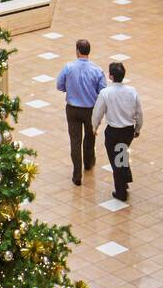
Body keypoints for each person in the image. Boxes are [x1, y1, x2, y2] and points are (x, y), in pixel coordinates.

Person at [56, 40, 106, 186]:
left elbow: (59, 85)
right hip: (90, 110)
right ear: (88, 51)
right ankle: (89, 162)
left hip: (72, 109)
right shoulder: (97, 70)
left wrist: (70, 89)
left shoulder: (68, 67)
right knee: (90, 137)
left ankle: (76, 174)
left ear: (77, 51)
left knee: (75, 141)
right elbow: (102, 91)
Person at [92, 61, 143, 202]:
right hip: (127, 131)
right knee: (121, 154)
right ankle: (125, 180)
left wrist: (94, 126)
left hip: (113, 132)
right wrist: (138, 128)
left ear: (111, 76)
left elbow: (98, 112)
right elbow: (139, 112)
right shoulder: (132, 91)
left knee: (116, 161)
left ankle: (121, 192)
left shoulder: (106, 93)